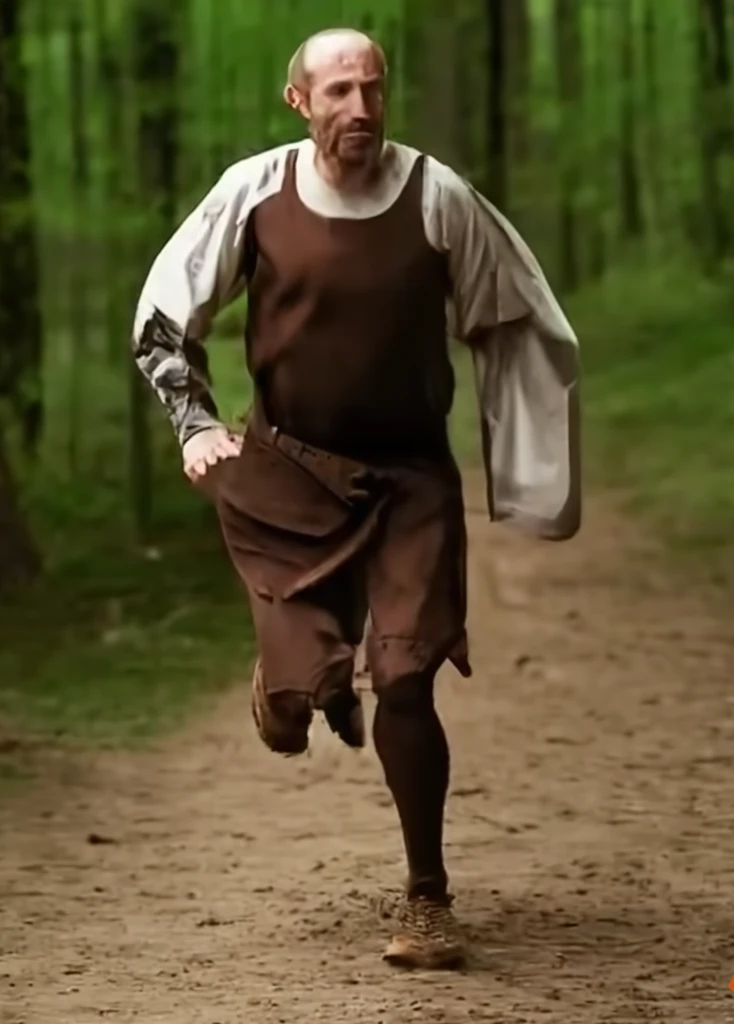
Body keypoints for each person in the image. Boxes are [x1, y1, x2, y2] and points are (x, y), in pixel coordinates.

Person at [132, 27, 581, 971]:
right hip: (286, 478)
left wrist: (532, 477)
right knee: (300, 711)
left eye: (373, 90)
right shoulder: (254, 193)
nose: (361, 110)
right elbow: (164, 318)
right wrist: (196, 426)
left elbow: (518, 317)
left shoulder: (438, 198)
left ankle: (428, 899)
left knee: (408, 679)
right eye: (338, 92)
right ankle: (294, 683)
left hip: (411, 479)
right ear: (300, 103)